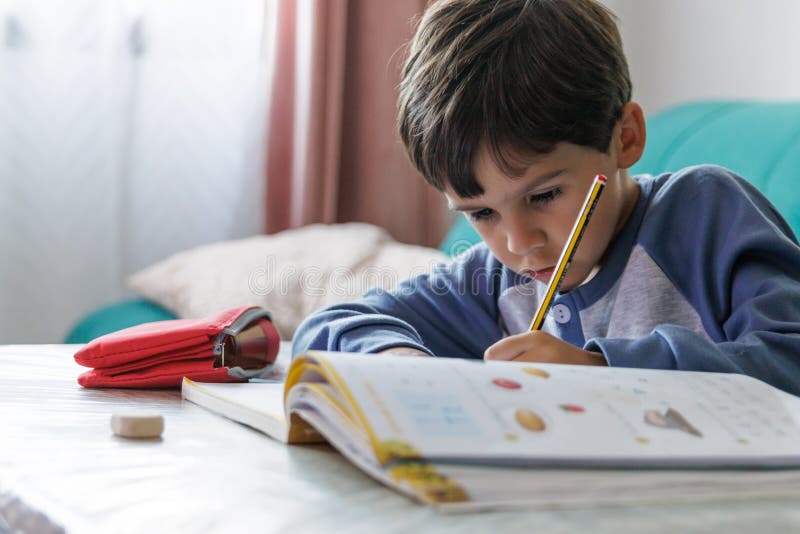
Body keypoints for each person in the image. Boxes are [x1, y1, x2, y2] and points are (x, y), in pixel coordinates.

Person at [292, 0, 800, 395]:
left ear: (624, 138)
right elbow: (330, 327)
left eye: (544, 195)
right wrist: (400, 365)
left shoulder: (707, 214)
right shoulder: (494, 281)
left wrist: (601, 370)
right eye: (483, 213)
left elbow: (788, 357)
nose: (519, 243)